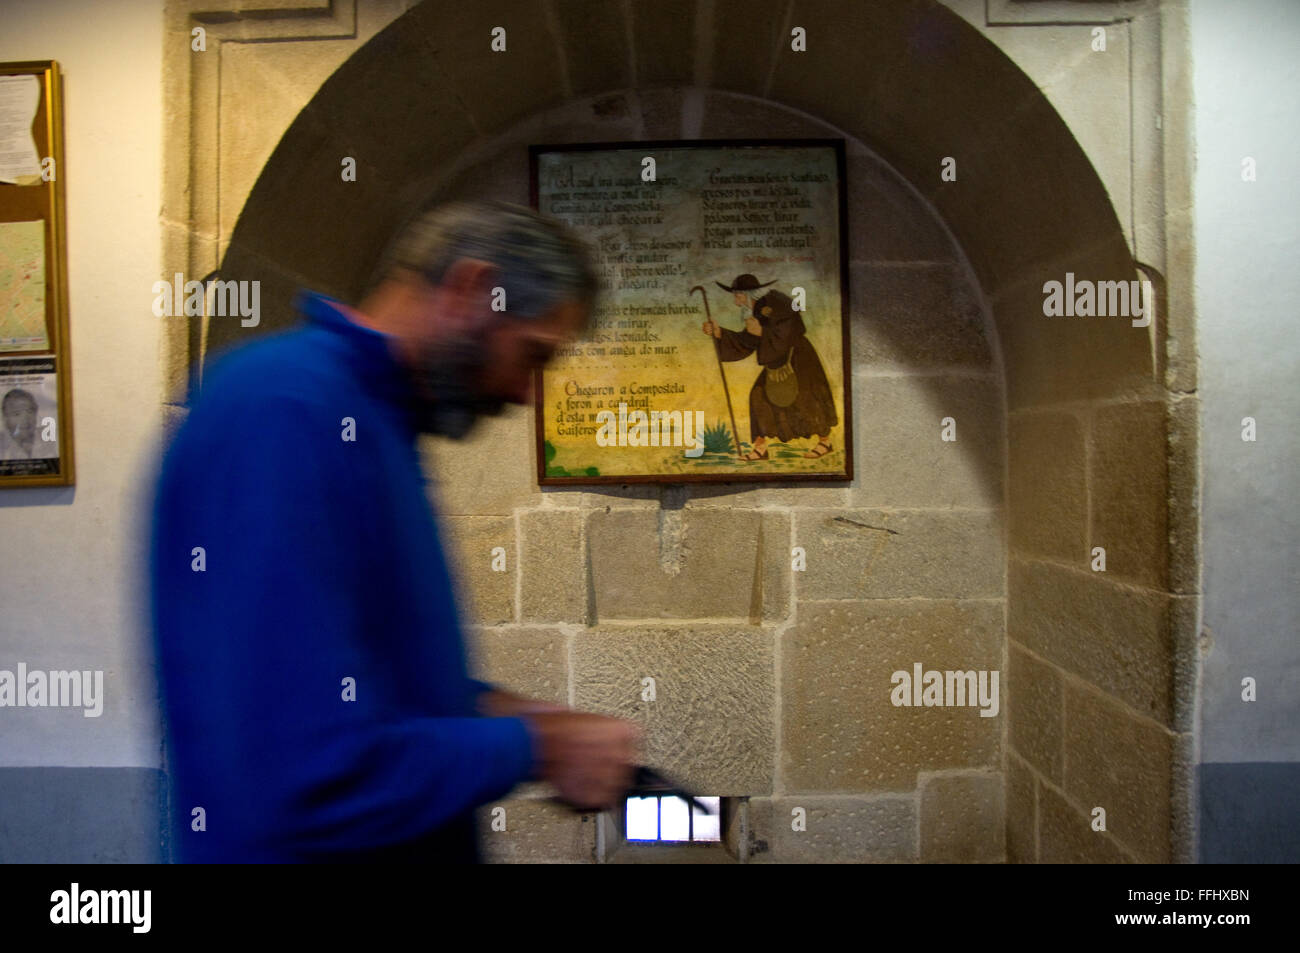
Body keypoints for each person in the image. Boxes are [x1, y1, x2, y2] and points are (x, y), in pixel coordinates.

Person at [149, 200, 640, 862]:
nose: (529, 395)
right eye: (533, 355)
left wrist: (522, 717)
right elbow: (305, 775)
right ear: (471, 287)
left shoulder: (374, 418)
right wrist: (538, 746)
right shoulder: (284, 410)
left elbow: (374, 687)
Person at [702, 274, 838, 460]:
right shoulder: (753, 310)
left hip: (798, 358)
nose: (736, 301)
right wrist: (720, 333)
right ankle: (760, 448)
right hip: (776, 361)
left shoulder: (776, 301)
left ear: (749, 293)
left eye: (738, 295)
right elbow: (747, 342)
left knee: (807, 398)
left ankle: (825, 443)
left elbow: (793, 327)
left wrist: (763, 332)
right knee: (758, 396)